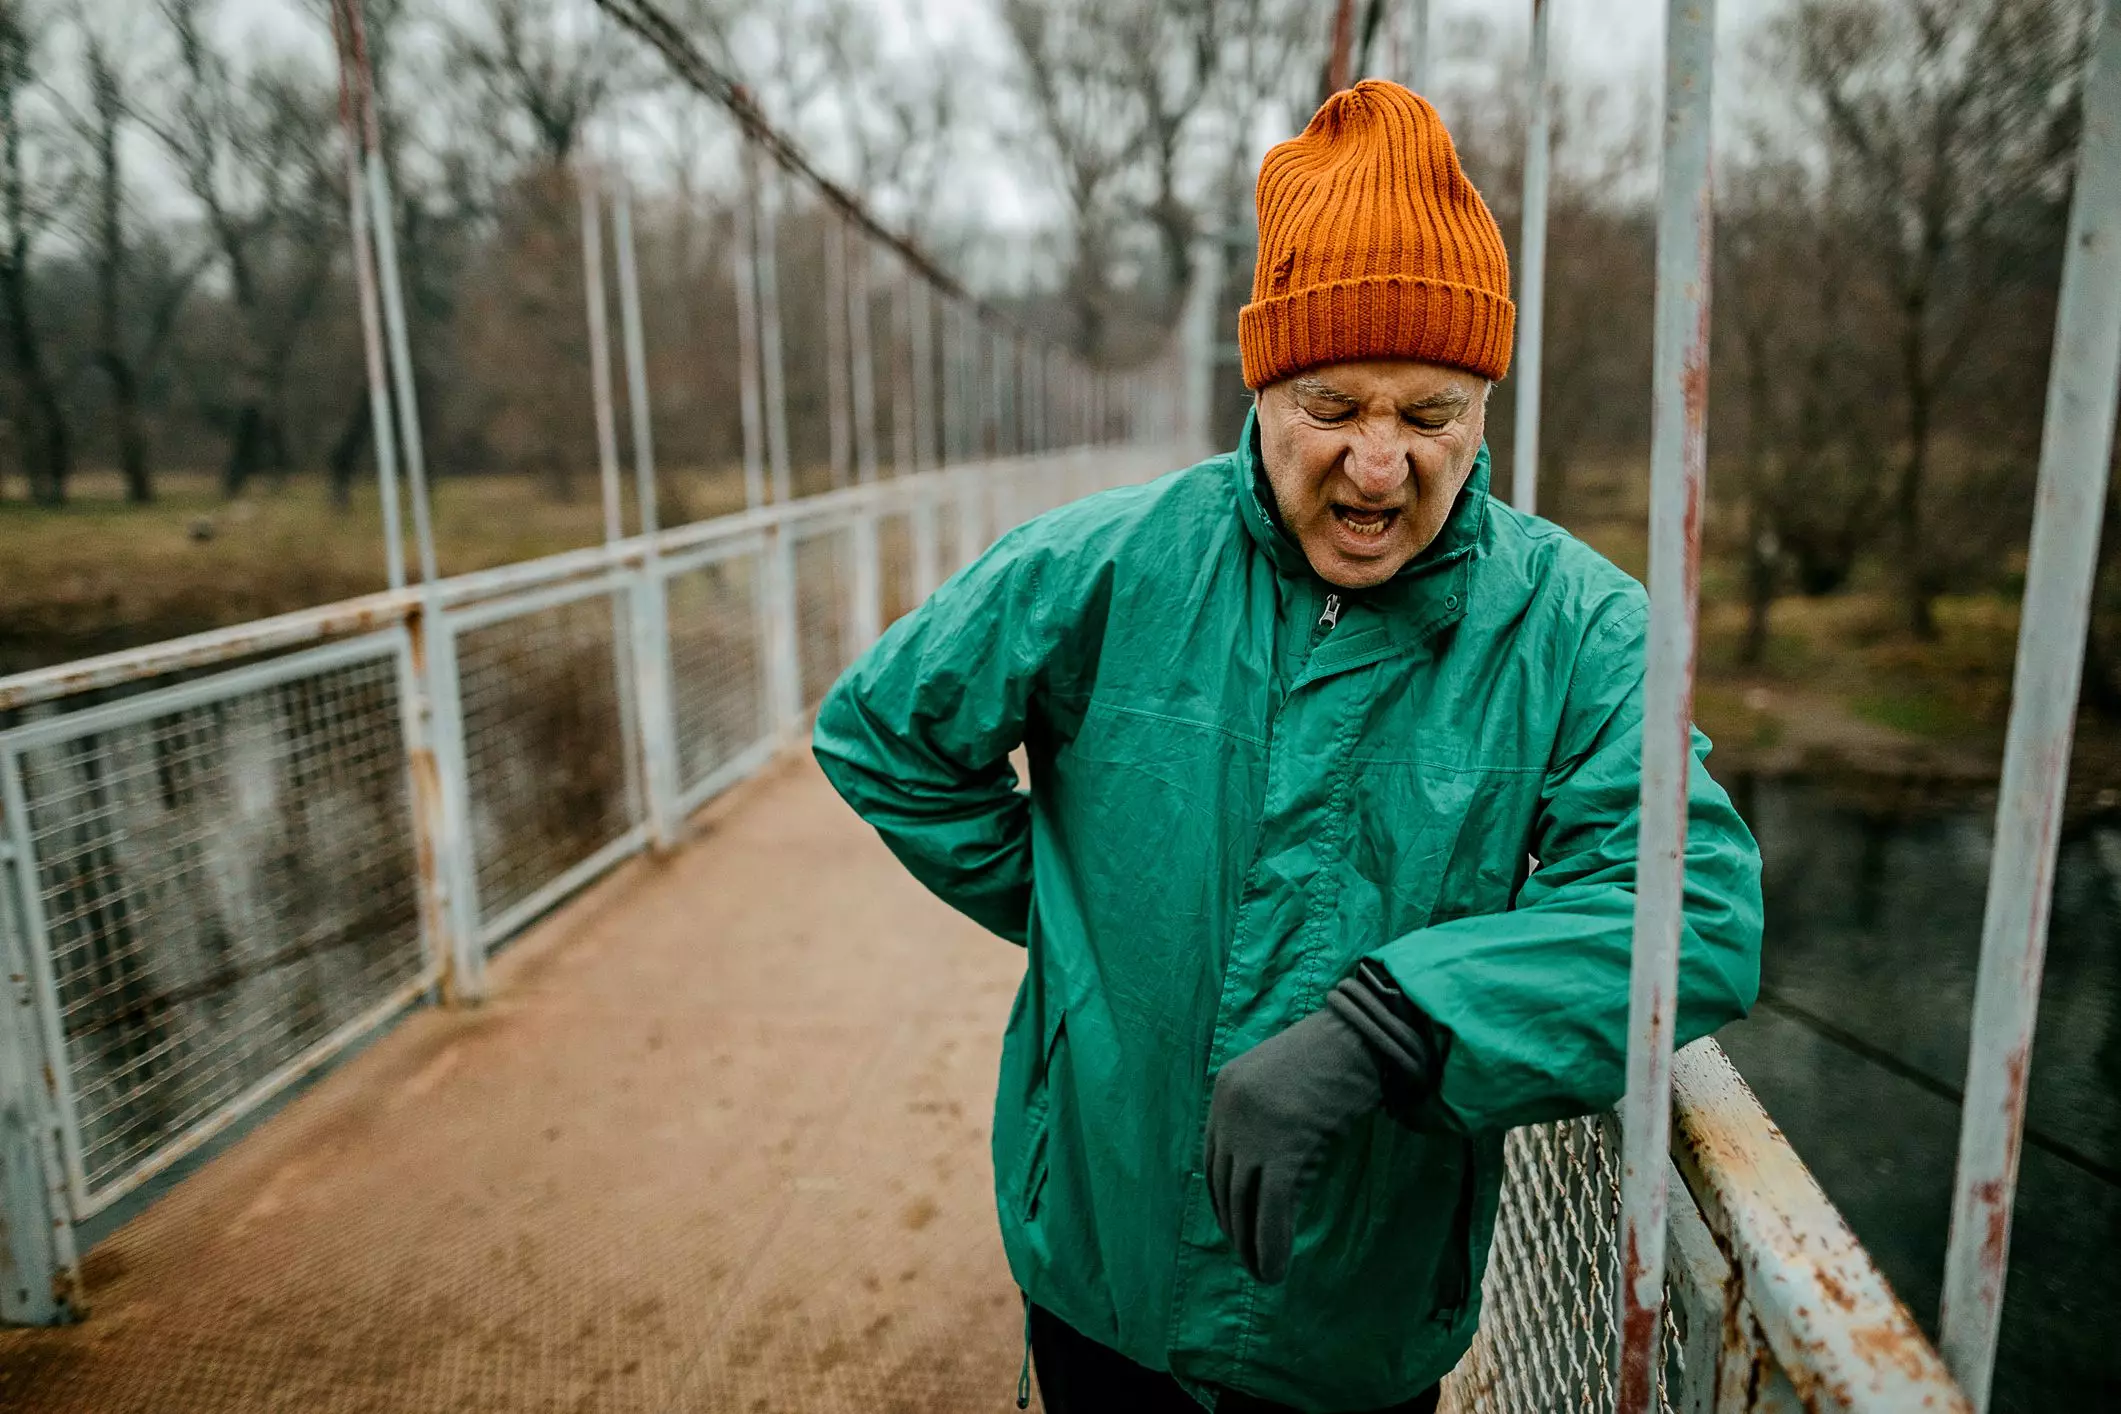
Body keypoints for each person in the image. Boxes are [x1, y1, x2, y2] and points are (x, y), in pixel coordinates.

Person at [813, 79, 1762, 1414]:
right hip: (1103, 1265)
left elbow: (1696, 917)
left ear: (1484, 408)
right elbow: (879, 730)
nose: (1379, 466)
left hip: (1352, 1321)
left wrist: (1396, 1027)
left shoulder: (1578, 627)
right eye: (1333, 405)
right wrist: (1083, 920)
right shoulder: (1109, 563)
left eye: (1430, 415)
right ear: (1261, 386)